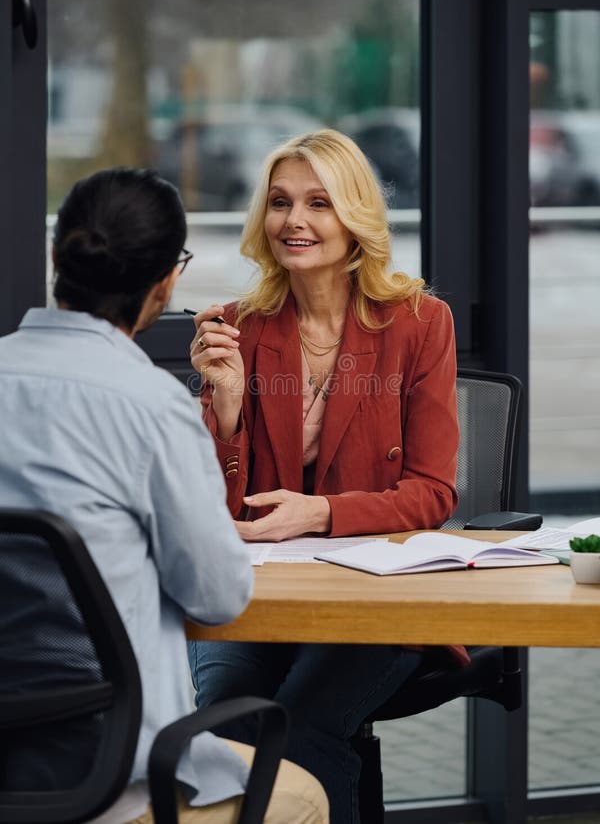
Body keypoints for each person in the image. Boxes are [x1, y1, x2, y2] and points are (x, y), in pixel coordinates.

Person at [0, 167, 328, 823]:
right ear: (165, 282)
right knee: (304, 797)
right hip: (111, 772)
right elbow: (217, 594)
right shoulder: (150, 407)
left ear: (55, 255)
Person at [186, 130, 469, 824]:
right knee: (220, 723)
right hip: (263, 594)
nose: (295, 221)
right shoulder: (238, 328)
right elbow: (215, 514)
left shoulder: (420, 323)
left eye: (319, 203)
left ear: (356, 219)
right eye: (280, 203)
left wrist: (319, 513)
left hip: (380, 596)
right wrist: (223, 409)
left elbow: (433, 494)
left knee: (302, 727)